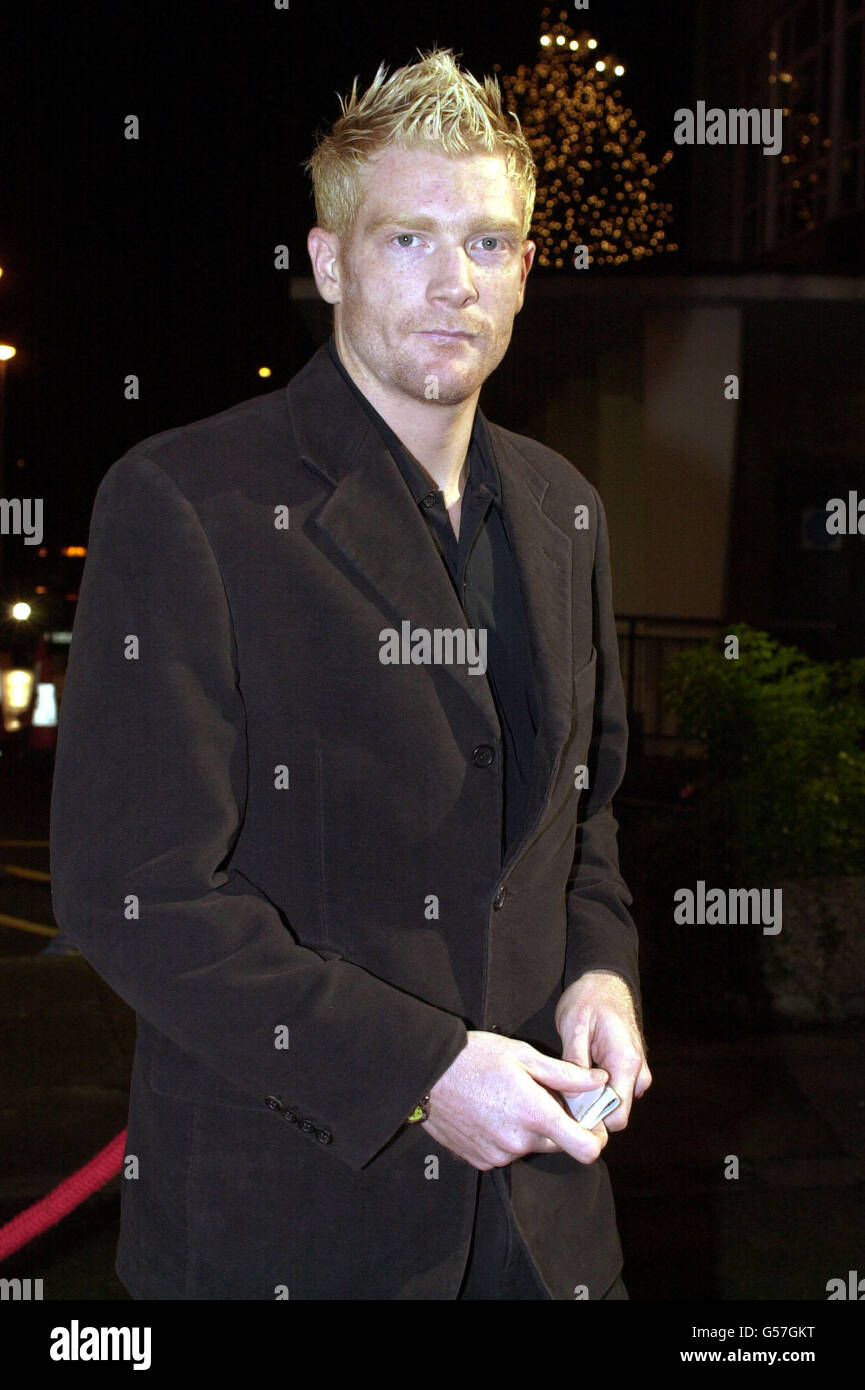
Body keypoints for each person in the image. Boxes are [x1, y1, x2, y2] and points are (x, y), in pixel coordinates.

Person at [49, 47, 651, 1301]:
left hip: (547, 1233)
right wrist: (422, 1072)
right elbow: (132, 890)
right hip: (290, 1232)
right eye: (408, 241)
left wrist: (602, 971)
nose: (453, 284)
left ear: (527, 272)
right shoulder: (185, 500)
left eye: (488, 245)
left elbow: (581, 825)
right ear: (328, 261)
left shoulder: (566, 512)